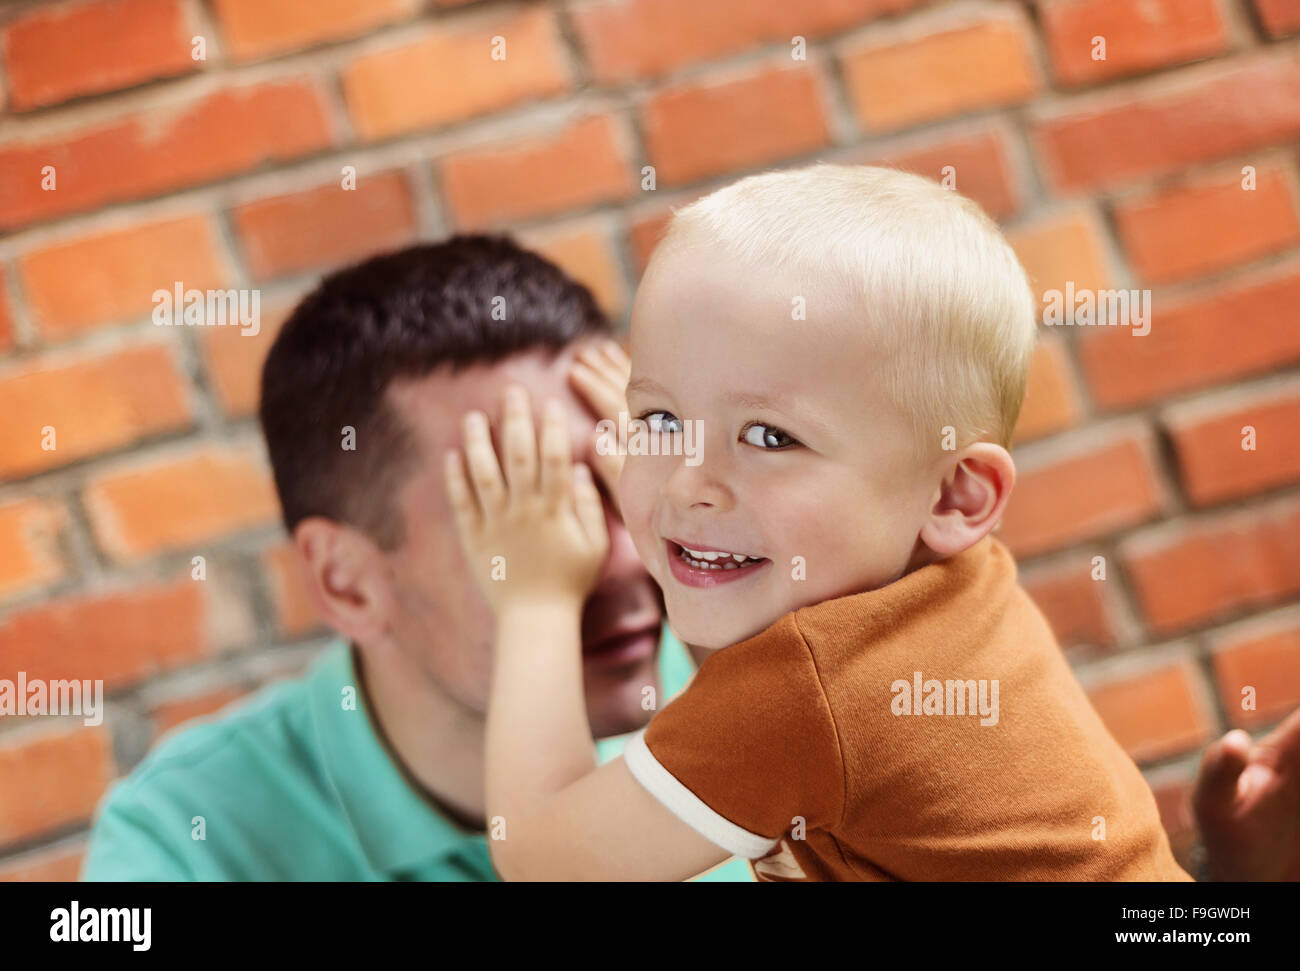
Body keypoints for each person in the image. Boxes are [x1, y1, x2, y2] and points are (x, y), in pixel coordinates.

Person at [79, 232, 1299, 882]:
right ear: (346, 577)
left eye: (625, 462)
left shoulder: (767, 655)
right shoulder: (193, 835)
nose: (633, 547)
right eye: (528, 509)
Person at [441, 165, 1183, 880]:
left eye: (768, 436)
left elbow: (542, 854)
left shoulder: (806, 693)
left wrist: (533, 594)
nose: (688, 483)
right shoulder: (945, 593)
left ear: (957, 497)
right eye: (660, 418)